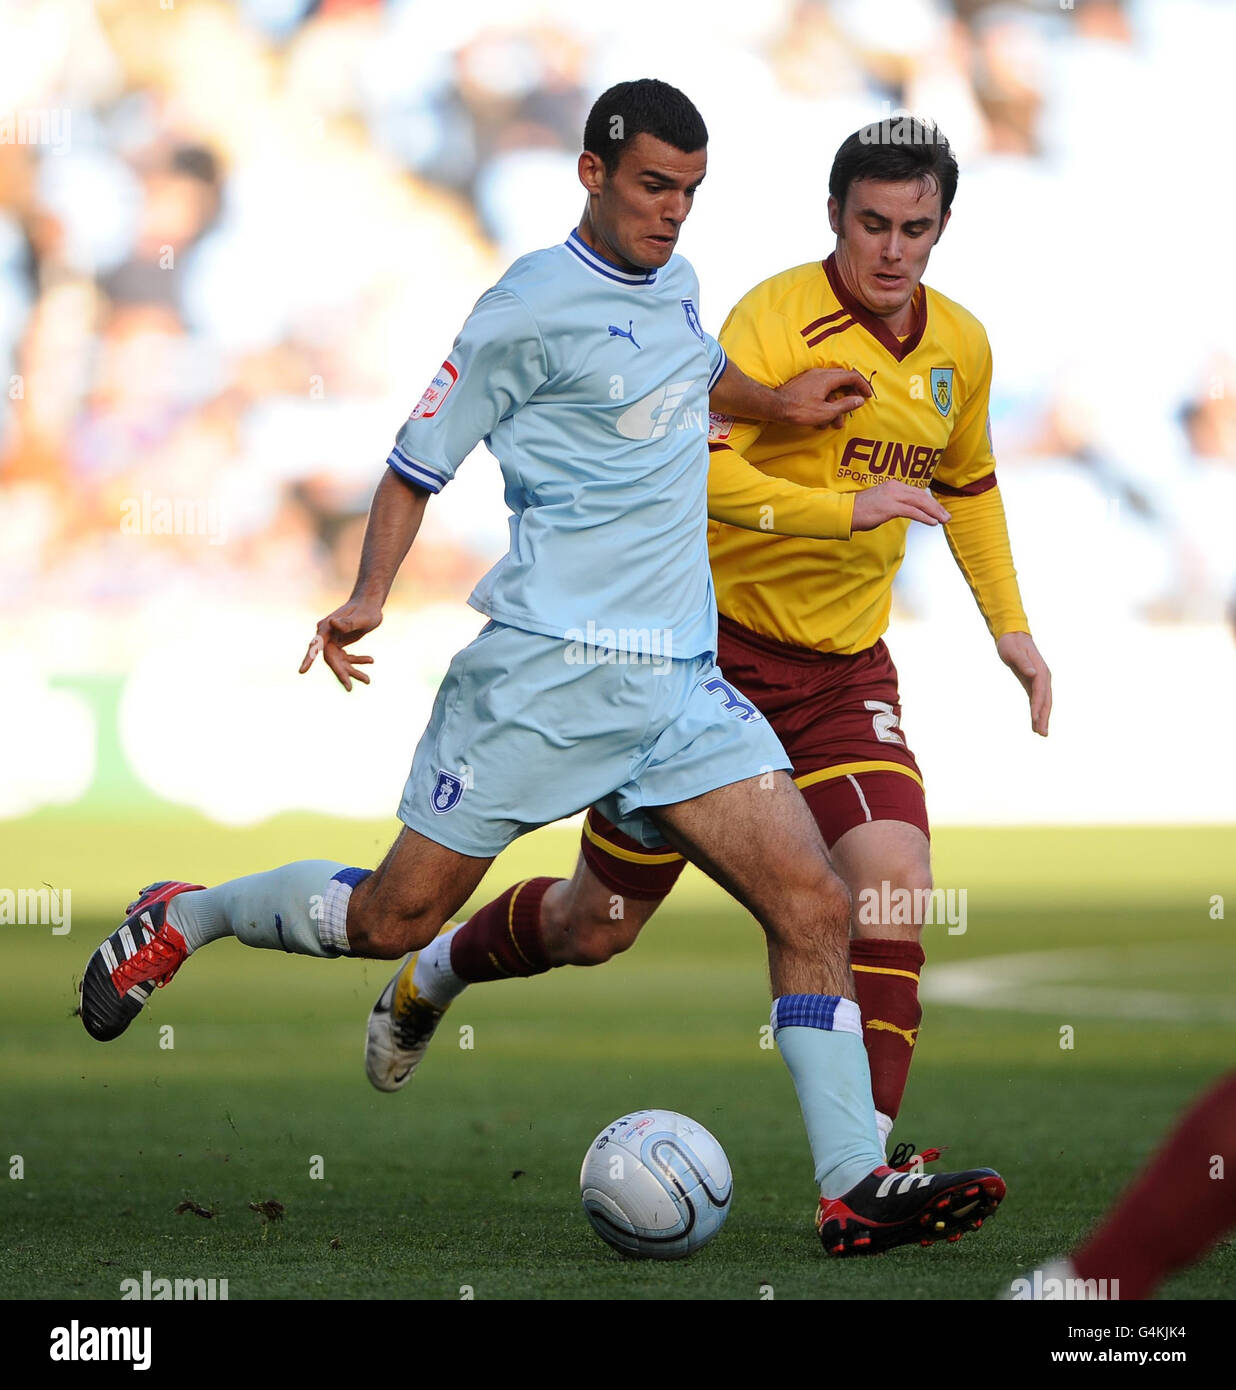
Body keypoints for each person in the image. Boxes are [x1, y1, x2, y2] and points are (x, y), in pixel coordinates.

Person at [79, 81, 1003, 1255]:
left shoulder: (675, 284)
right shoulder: (522, 307)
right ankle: (189, 913)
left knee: (813, 902)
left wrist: (774, 400)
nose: (673, 214)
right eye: (655, 187)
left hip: (678, 685)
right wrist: (368, 593)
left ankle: (850, 1183)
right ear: (593, 173)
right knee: (386, 914)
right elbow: (417, 463)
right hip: (541, 683)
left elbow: (682, 373)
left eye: (691, 193)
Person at [371, 116, 1051, 1173]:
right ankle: (437, 970)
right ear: (835, 217)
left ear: (943, 226)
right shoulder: (772, 320)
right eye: (872, 223)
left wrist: (1011, 630)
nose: (893, 249)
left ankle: (864, 1171)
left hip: (840, 674)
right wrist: (843, 511)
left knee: (890, 884)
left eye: (916, 227)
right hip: (706, 660)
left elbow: (969, 486)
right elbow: (706, 473)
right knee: (594, 924)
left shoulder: (960, 343)